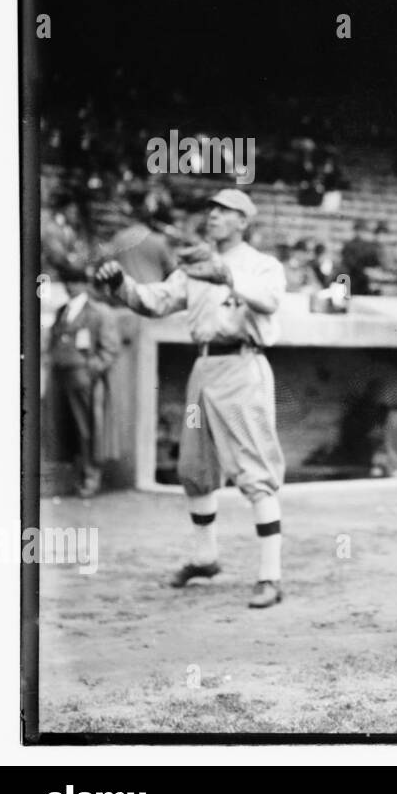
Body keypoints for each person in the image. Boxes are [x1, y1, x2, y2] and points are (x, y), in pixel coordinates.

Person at [94, 188, 288, 608]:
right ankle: (205, 556)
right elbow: (155, 300)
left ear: (242, 221)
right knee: (194, 466)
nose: (214, 215)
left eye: (225, 211)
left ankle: (270, 575)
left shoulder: (261, 265)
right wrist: (120, 284)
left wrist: (229, 276)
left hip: (242, 366)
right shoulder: (195, 265)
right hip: (204, 369)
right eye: (212, 208)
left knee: (254, 469)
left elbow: (272, 301)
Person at [48, 267, 120, 497]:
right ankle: (76, 476)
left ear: (84, 284)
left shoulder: (99, 312)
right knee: (65, 429)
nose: (70, 286)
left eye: (75, 281)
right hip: (61, 376)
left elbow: (109, 349)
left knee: (87, 429)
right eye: (67, 281)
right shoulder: (63, 311)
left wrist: (91, 371)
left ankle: (91, 476)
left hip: (84, 378)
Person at [103, 185, 177, 284]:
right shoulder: (159, 240)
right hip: (152, 295)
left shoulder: (118, 238)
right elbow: (173, 270)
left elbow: (107, 268)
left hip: (125, 295)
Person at [341, 219, 382, 296]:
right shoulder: (349, 245)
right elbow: (349, 263)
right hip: (353, 278)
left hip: (365, 280)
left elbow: (374, 261)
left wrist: (373, 270)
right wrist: (365, 270)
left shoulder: (368, 246)